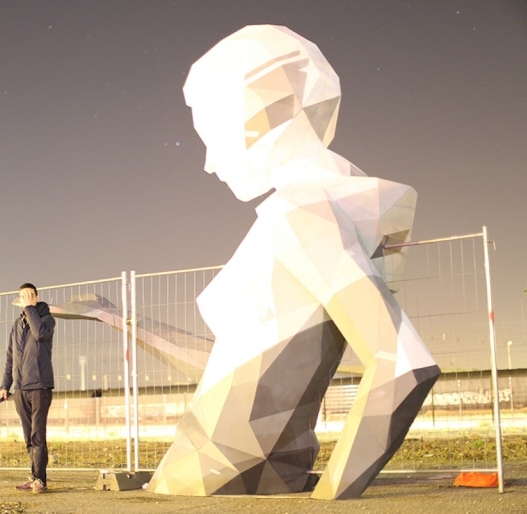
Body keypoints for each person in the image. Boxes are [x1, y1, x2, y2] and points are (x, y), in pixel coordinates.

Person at [147, 25, 440, 500]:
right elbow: (245, 369)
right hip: (252, 470)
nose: (209, 162)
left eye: (213, 134)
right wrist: (117, 319)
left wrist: (335, 495)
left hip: (216, 472)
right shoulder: (333, 208)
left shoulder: (304, 214)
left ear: (269, 108)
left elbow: (404, 364)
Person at [0, 282, 56, 493]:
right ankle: (34, 477)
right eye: (22, 296)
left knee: (37, 435)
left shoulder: (47, 319)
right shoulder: (17, 324)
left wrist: (30, 308)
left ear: (36, 297)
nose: (25, 298)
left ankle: (40, 481)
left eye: (29, 295)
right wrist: (6, 384)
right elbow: (10, 356)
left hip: (40, 387)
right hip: (20, 389)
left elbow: (40, 334)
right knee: (27, 436)